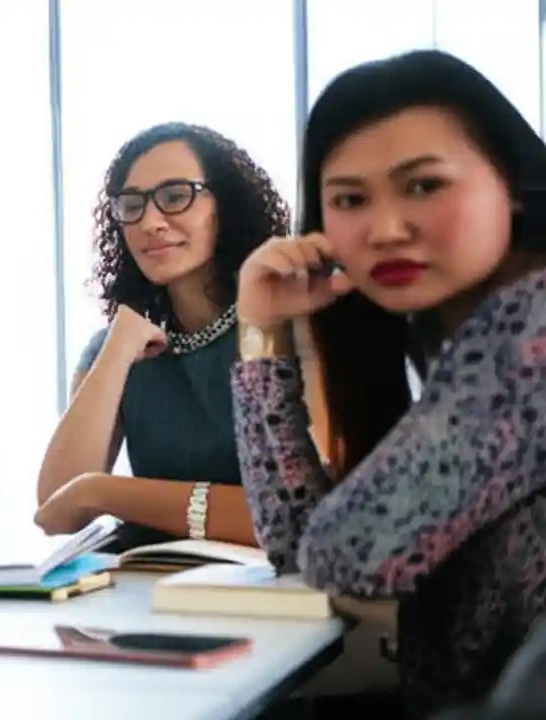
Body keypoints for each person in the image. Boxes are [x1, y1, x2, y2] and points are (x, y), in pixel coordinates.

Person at [232, 49, 546, 716]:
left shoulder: (533, 330)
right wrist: (262, 332)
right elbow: (299, 552)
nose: (386, 229)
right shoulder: (450, 336)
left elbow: (345, 555)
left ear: (513, 186)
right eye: (350, 199)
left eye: (424, 185)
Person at [35, 122, 299, 546]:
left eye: (176, 197)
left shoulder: (286, 325)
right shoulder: (116, 347)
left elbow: (289, 515)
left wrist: (105, 492)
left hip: (275, 581)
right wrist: (117, 348)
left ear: (226, 204)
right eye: (131, 205)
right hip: (149, 579)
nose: (150, 222)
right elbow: (57, 508)